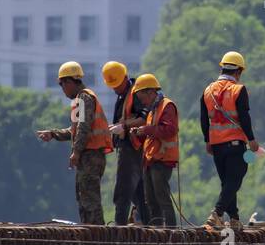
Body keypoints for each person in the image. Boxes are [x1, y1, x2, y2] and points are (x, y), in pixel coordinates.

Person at [36, 61, 112, 224]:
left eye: (62, 84)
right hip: (88, 156)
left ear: (70, 81)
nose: (62, 89)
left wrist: (76, 152)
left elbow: (83, 128)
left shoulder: (84, 98)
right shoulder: (79, 100)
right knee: (83, 197)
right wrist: (53, 134)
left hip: (91, 156)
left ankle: (97, 237)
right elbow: (75, 131)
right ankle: (89, 233)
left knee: (90, 200)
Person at [200, 50, 259, 233]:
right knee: (234, 181)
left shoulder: (208, 91)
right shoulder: (238, 90)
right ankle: (216, 214)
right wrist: (252, 140)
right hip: (235, 145)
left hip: (217, 147)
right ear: (238, 71)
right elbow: (244, 116)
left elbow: (203, 119)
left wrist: (208, 141)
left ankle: (234, 220)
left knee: (227, 183)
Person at [121, 73, 179, 227]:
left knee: (162, 197)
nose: (141, 101)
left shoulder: (167, 106)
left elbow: (169, 130)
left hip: (162, 159)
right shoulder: (152, 110)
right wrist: (139, 132)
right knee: (151, 199)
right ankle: (158, 231)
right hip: (150, 160)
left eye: (142, 97)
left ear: (150, 91)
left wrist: (145, 129)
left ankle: (171, 231)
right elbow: (151, 135)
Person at [102, 61, 148, 225]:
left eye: (117, 85)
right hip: (130, 147)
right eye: (112, 86)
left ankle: (119, 227)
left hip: (132, 148)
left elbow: (144, 118)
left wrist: (124, 126)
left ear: (125, 78)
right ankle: (148, 223)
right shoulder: (123, 95)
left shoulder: (135, 93)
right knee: (139, 193)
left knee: (123, 191)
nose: (115, 89)